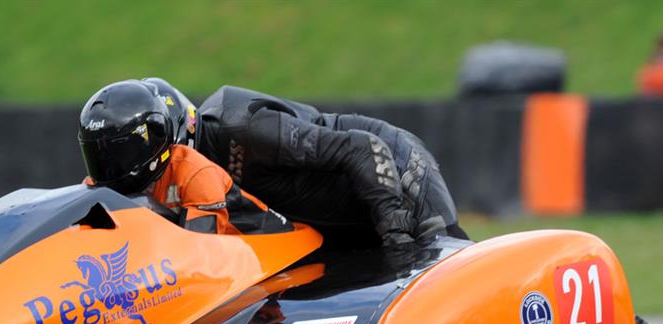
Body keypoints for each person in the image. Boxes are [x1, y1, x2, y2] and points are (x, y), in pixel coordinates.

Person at [135, 79, 466, 245]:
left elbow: (364, 149)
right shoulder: (192, 182)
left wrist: (397, 237)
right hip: (341, 221)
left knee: (446, 266)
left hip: (395, 166)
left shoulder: (242, 129)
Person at [77, 80, 291, 235]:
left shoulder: (195, 172)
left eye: (118, 153)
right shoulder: (97, 185)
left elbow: (200, 248)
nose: (109, 166)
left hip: (271, 256)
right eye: (100, 155)